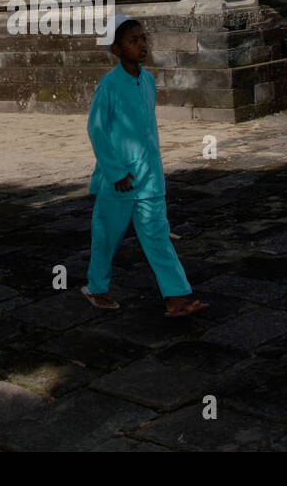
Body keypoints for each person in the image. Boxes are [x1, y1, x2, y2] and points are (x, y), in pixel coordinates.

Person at [81, 16, 209, 317]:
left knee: (158, 238)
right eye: (133, 41)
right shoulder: (109, 85)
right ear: (116, 49)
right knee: (106, 238)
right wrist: (115, 173)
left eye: (143, 39)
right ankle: (96, 288)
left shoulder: (148, 80)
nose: (142, 46)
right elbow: (96, 130)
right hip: (119, 181)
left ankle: (176, 298)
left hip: (149, 179)